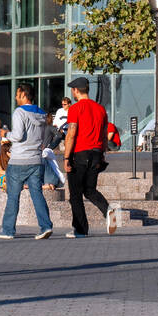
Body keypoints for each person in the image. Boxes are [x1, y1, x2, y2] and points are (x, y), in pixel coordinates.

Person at [0, 81, 53, 240]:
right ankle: (45, 226)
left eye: (18, 94)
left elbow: (18, 136)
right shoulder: (41, 113)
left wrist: (5, 134)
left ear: (24, 95)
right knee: (37, 194)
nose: (15, 97)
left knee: (13, 196)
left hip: (19, 160)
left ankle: (8, 230)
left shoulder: (19, 112)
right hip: (36, 160)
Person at [63, 75, 117, 238]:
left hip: (80, 153)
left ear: (75, 91)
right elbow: (103, 135)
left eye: (72, 89)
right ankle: (109, 212)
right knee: (90, 190)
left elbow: (71, 133)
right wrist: (101, 156)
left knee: (75, 193)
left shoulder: (75, 108)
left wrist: (66, 158)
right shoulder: (100, 109)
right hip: (96, 154)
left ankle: (80, 229)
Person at [42, 112, 66, 190]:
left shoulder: (39, 127)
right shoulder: (49, 127)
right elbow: (59, 135)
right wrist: (51, 146)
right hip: (44, 150)